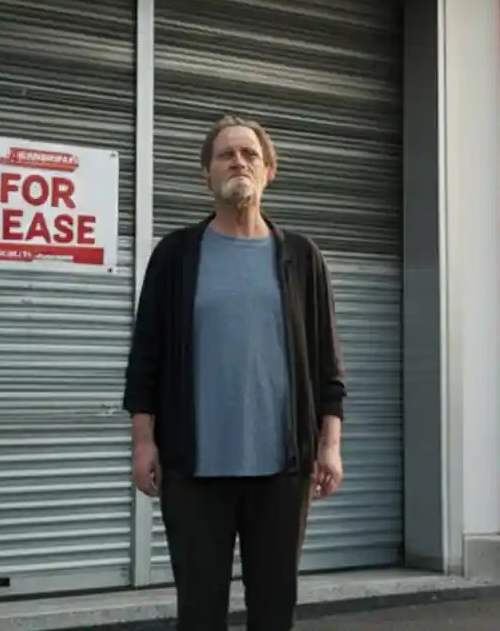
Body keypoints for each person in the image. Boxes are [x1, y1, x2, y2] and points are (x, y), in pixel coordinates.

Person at [123, 114, 346, 630]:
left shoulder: (301, 257)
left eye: (249, 154)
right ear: (207, 174)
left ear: (269, 170)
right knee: (200, 613)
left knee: (273, 611)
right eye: (226, 154)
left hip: (281, 471)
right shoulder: (177, 255)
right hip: (194, 469)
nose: (238, 162)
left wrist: (329, 444)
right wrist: (143, 442)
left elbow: (327, 360)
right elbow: (146, 355)